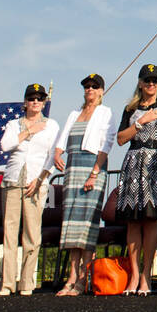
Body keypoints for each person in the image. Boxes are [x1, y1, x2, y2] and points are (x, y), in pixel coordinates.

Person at [114, 64, 157, 296]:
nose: (151, 84)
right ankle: (133, 274)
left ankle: (146, 276)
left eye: (155, 80)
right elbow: (121, 139)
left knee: (151, 219)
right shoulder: (130, 108)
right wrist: (141, 121)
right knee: (133, 220)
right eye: (147, 80)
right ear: (140, 83)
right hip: (134, 161)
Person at [52, 74, 118, 296]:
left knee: (86, 225)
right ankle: (71, 277)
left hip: (92, 169)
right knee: (71, 224)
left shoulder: (105, 113)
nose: (90, 89)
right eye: (87, 86)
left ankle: (82, 278)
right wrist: (58, 153)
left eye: (94, 86)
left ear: (101, 91)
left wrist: (95, 173)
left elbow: (106, 144)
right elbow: (62, 139)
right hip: (73, 169)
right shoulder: (74, 114)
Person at [0, 83, 58, 296]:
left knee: (32, 234)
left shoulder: (51, 125)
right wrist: (29, 131)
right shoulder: (14, 124)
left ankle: (26, 283)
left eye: (39, 99)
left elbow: (52, 155)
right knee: (10, 234)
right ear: (25, 102)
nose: (35, 102)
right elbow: (6, 145)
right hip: (13, 182)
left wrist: (41, 179)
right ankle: (7, 283)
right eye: (31, 98)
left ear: (44, 102)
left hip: (35, 183)